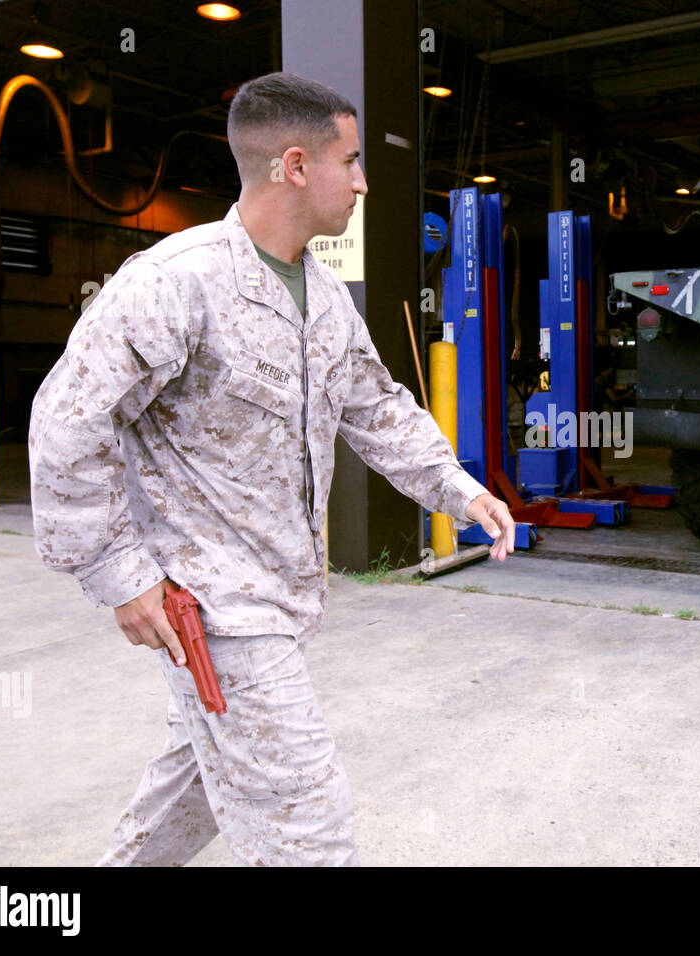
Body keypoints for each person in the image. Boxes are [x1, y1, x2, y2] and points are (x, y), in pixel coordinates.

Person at [28, 71, 514, 866]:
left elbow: (378, 406)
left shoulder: (322, 298)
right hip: (214, 611)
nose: (362, 181)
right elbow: (66, 425)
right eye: (350, 161)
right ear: (295, 165)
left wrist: (459, 490)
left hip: (279, 596)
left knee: (190, 797)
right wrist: (120, 574)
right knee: (307, 832)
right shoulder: (173, 284)